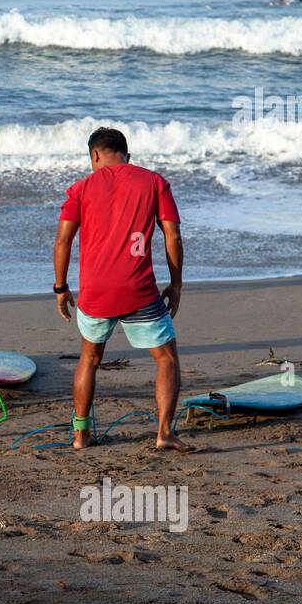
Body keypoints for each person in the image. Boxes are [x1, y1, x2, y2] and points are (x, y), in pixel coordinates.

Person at [53, 127, 192, 452]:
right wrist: (176, 283)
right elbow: (173, 236)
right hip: (139, 290)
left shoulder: (81, 188)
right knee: (166, 358)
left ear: (95, 155)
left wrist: (61, 287)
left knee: (89, 358)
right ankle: (164, 433)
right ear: (126, 154)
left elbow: (62, 240)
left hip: (95, 292)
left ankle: (80, 435)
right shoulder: (154, 182)